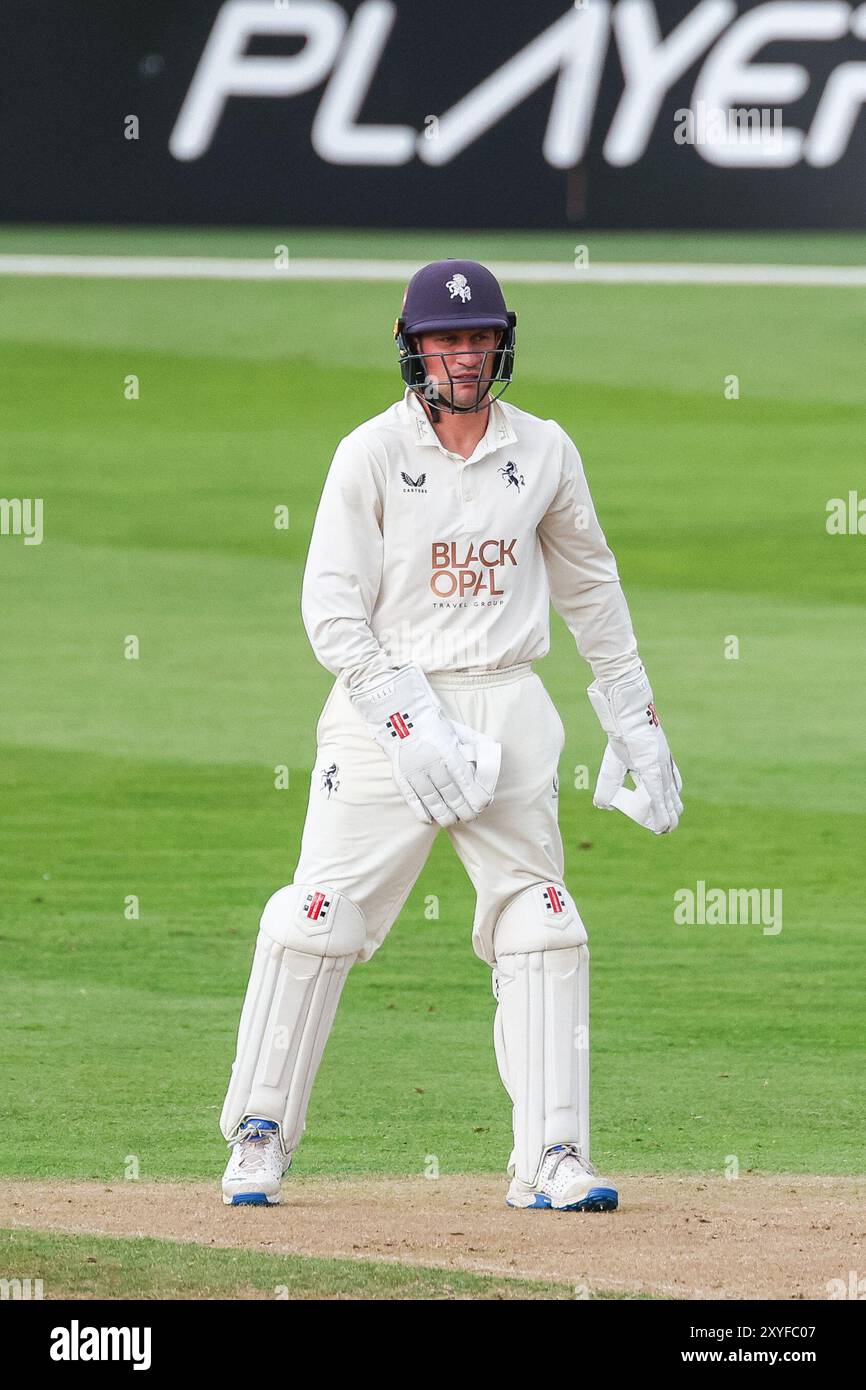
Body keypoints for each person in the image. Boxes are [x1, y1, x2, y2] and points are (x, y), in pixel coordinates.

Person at [219, 259, 683, 1210]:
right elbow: (331, 614)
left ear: (500, 344)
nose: (462, 357)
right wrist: (407, 720)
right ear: (412, 347)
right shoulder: (369, 455)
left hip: (509, 704)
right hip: (382, 712)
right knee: (317, 920)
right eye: (444, 339)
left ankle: (549, 1159)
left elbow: (592, 585)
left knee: (543, 923)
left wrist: (634, 716)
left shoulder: (546, 451)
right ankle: (259, 1134)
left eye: (476, 340)